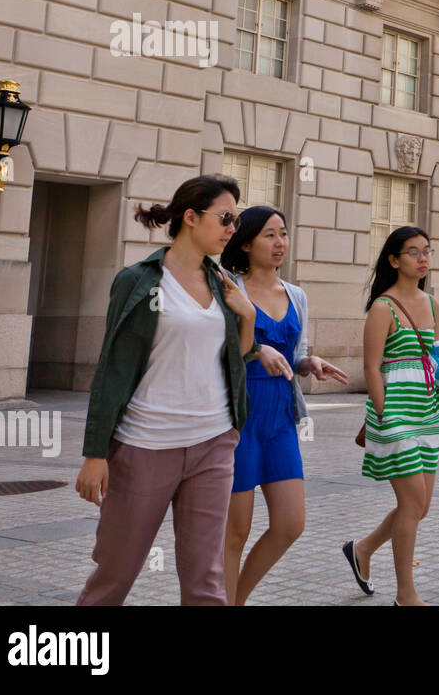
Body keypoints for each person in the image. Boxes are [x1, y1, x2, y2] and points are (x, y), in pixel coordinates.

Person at [75, 174, 256, 606]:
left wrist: (247, 316)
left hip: (213, 443)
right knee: (115, 573)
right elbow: (112, 368)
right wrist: (95, 453)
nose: (233, 228)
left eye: (238, 218)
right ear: (191, 218)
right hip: (145, 445)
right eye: (226, 217)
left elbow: (236, 356)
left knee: (206, 581)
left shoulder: (223, 282)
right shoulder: (138, 281)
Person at [220, 206, 349, 605]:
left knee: (290, 524)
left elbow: (297, 351)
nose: (280, 243)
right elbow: (219, 351)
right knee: (234, 533)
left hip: (280, 421)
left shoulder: (296, 295)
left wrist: (308, 362)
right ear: (246, 243)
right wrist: (257, 351)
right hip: (238, 418)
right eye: (269, 235)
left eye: (283, 234)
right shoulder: (228, 288)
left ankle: (232, 600)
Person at [342, 226, 439, 606]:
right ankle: (406, 593)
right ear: (393, 260)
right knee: (412, 503)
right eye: (413, 252)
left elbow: (433, 358)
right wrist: (383, 415)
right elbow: (371, 368)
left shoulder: (433, 304)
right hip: (395, 415)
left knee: (420, 507)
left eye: (427, 252)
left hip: (429, 411)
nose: (422, 259)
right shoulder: (382, 307)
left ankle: (363, 550)